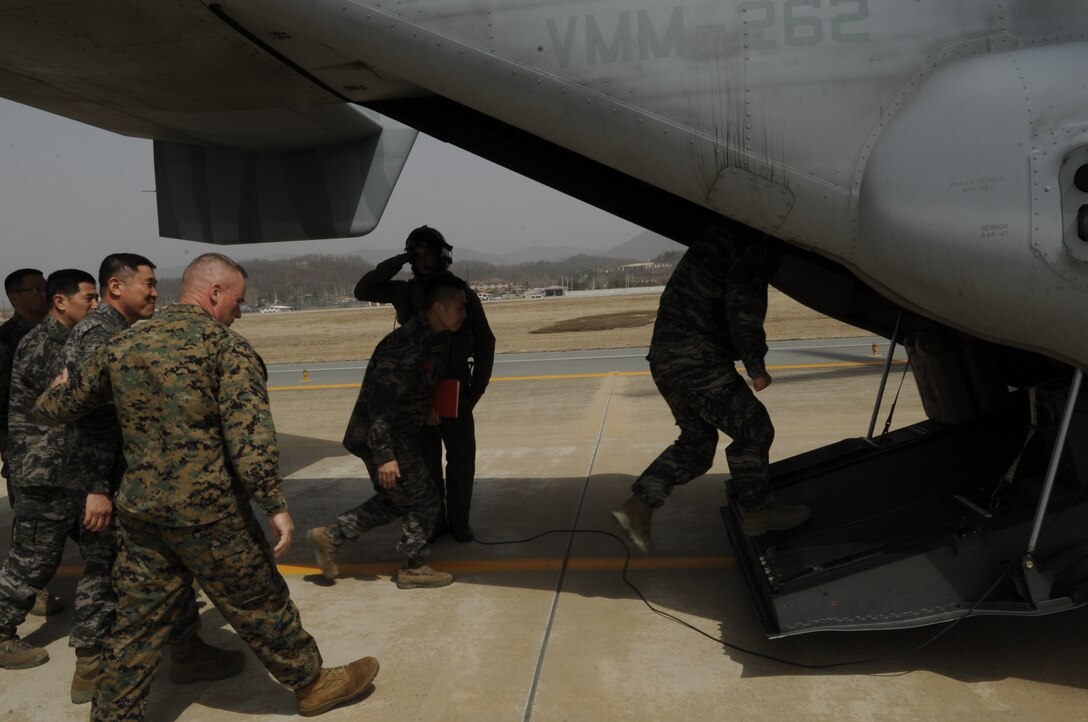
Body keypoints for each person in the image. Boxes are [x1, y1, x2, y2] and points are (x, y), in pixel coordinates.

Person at [35, 253, 379, 720]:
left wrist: (54, 390)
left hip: (142, 510)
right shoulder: (226, 349)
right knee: (259, 600)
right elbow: (249, 436)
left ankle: (114, 714)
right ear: (214, 293)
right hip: (209, 513)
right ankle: (312, 683)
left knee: (136, 620)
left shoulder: (123, 345)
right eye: (237, 301)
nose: (239, 311)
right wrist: (273, 502)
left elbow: (57, 407)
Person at [58, 253, 243, 704]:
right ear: (116, 288)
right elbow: (91, 423)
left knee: (162, 567)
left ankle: (185, 651)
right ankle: (90, 664)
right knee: (105, 569)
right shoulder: (97, 335)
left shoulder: (125, 333)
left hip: (133, 481)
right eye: (149, 284)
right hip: (104, 480)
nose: (156, 293)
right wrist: (96, 489)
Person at [611, 221, 811, 553]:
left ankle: (638, 506)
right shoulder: (749, 239)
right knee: (754, 429)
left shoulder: (719, 234)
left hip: (666, 360)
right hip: (697, 358)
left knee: (697, 445)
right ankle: (758, 511)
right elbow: (742, 304)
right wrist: (755, 365)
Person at [308, 274, 468, 588]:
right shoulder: (405, 345)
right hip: (380, 436)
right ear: (439, 308)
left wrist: (427, 409)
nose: (464, 313)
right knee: (425, 500)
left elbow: (412, 390)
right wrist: (385, 458)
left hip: (397, 433)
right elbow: (380, 406)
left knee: (397, 500)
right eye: (460, 307)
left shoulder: (434, 340)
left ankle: (330, 536)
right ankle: (413, 566)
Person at [354, 226, 495, 542]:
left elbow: (485, 341)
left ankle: (459, 522)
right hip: (416, 391)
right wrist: (400, 259)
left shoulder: (461, 295)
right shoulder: (404, 291)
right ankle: (436, 521)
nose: (424, 258)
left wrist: (477, 389)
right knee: (427, 461)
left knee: (461, 460)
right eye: (419, 253)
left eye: (430, 251)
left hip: (453, 387)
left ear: (443, 256)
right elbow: (363, 290)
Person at [0, 269, 98, 670]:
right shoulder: (42, 345)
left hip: (68, 470)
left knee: (103, 549)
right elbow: (79, 399)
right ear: (62, 303)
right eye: (88, 299)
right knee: (33, 559)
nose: (95, 307)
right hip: (45, 471)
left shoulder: (66, 339)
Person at [0, 268, 62, 618]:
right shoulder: (7, 341)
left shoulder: (58, 334)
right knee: (30, 527)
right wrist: (5, 444)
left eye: (45, 287)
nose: (43, 293)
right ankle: (33, 591)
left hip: (62, 450)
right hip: (27, 448)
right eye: (35, 289)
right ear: (15, 297)